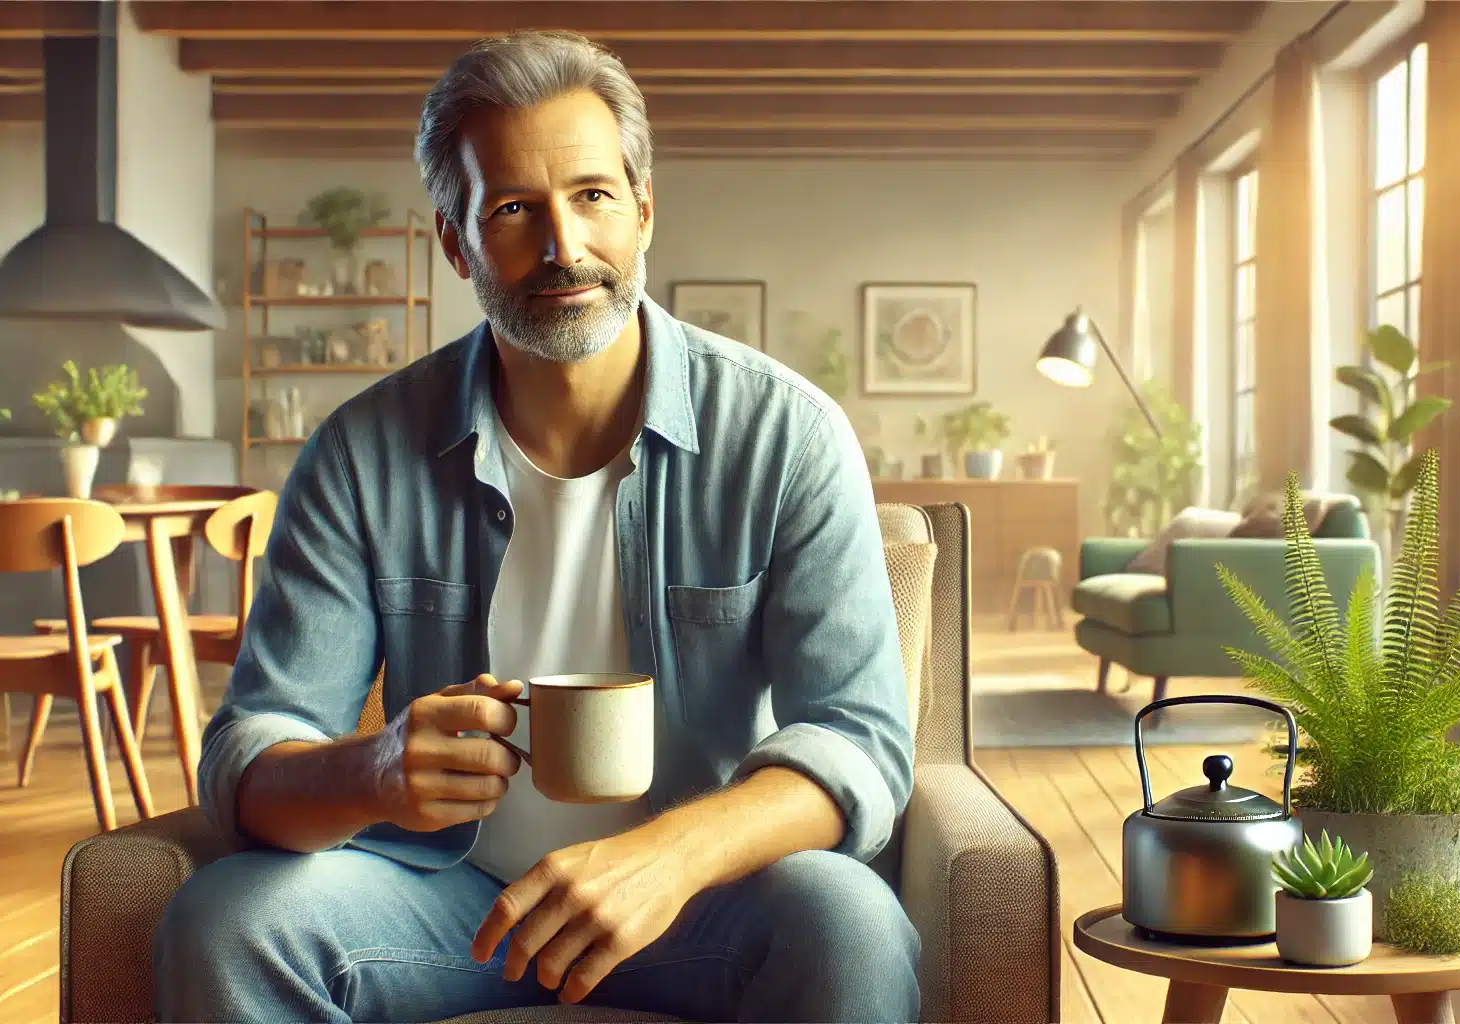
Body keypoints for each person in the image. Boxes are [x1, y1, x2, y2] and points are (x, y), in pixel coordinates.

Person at [152, 29, 919, 1024]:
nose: (563, 245)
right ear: (456, 241)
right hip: (445, 904)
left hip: (704, 901)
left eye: (592, 195)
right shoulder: (358, 453)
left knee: (848, 920)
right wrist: (373, 771)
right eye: (513, 209)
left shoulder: (788, 435)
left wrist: (665, 857)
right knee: (226, 921)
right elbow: (251, 751)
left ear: (644, 211)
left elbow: (858, 737)